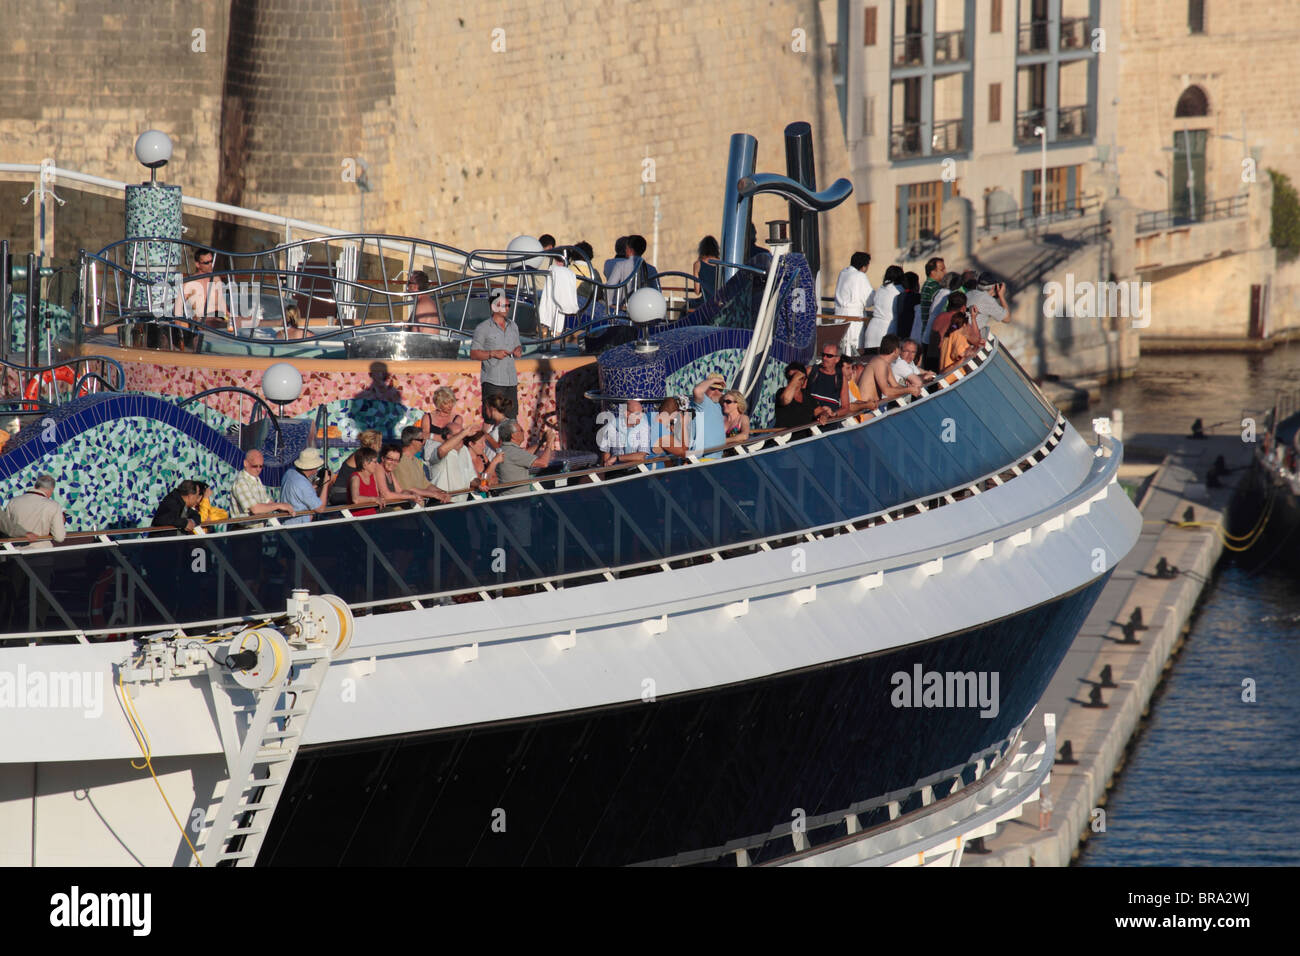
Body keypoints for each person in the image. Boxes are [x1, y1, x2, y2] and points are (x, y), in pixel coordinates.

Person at [470, 288, 523, 416]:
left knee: (511, 418)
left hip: (511, 381)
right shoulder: (483, 328)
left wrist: (518, 350)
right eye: (503, 305)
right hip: (493, 381)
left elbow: (518, 346)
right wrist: (492, 353)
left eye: (508, 305)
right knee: (491, 419)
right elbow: (473, 353)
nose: (507, 308)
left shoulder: (513, 326)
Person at [486, 419, 555, 494]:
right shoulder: (513, 452)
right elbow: (543, 463)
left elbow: (526, 454)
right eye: (521, 430)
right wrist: (549, 442)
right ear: (513, 435)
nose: (524, 432)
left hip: (510, 498)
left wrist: (542, 441)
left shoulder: (506, 449)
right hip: (517, 501)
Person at [230, 450, 295, 526]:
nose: (258, 469)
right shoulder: (241, 482)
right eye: (255, 466)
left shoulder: (255, 479)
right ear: (245, 463)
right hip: (245, 531)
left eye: (261, 466)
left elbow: (266, 501)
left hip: (258, 530)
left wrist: (284, 508)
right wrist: (279, 505)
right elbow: (255, 509)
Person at [424, 415, 482, 500]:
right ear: (449, 437)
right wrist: (464, 432)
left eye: (463, 433)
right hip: (442, 503)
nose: (463, 436)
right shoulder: (436, 447)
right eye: (460, 434)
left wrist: (479, 484)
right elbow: (441, 451)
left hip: (461, 504)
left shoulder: (464, 450)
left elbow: (472, 478)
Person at [394, 426, 453, 504]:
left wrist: (442, 493)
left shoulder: (417, 461)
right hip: (405, 510)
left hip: (419, 508)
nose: (424, 443)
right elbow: (408, 488)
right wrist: (435, 494)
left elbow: (426, 484)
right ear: (413, 442)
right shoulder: (399, 461)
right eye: (422, 440)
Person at [5, 475, 66, 547]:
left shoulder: (13, 502)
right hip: (41, 551)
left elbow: (6, 530)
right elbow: (59, 537)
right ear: (52, 489)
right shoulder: (54, 506)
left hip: (16, 551)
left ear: (35, 486)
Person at [861, 334, 923, 405]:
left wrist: (910, 388)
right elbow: (886, 391)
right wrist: (908, 390)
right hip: (866, 410)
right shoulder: (879, 363)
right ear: (896, 350)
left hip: (876, 407)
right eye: (900, 349)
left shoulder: (886, 364)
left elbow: (895, 385)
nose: (900, 352)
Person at [330, 429, 384, 506]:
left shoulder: (363, 455)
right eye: (380, 442)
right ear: (373, 444)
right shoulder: (362, 456)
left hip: (347, 492)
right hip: (341, 493)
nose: (381, 444)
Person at [174, 248, 227, 326]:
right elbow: (177, 309)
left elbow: (223, 305)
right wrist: (179, 329)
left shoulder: (216, 279)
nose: (210, 265)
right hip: (203, 320)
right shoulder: (189, 282)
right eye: (206, 263)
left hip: (221, 318)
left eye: (212, 261)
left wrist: (231, 317)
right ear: (197, 264)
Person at [833, 251, 873, 354]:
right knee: (853, 349)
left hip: (839, 316)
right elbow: (869, 300)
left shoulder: (843, 273)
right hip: (854, 318)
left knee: (841, 346)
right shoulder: (860, 276)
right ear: (864, 266)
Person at [281, 448, 333, 526]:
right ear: (314, 468)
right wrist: (326, 483)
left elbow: (300, 493)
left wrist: (315, 486)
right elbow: (320, 508)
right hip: (299, 527)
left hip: (287, 523)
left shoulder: (290, 472)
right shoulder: (302, 483)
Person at [538, 248, 580, 342]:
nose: (559, 264)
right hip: (569, 310)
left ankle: (554, 332)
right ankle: (556, 332)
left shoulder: (548, 267)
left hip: (554, 315)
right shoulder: (570, 273)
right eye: (558, 260)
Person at [805, 343, 851, 421]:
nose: (824, 358)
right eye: (823, 355)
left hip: (829, 426)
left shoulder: (841, 378)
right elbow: (799, 397)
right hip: (807, 423)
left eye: (829, 356)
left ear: (837, 359)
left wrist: (834, 414)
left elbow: (846, 408)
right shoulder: (811, 371)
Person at [864, 265, 904, 353]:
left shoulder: (881, 289)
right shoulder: (900, 291)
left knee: (869, 360)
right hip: (887, 330)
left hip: (872, 328)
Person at [925, 291, 967, 372]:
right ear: (963, 308)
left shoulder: (940, 317)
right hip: (943, 362)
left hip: (930, 359)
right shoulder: (958, 321)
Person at [963, 272, 1011, 343]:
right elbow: (1007, 319)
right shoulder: (987, 300)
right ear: (992, 287)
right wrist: (1001, 296)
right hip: (968, 339)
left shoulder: (970, 293)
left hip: (961, 333)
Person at [602, 400, 652, 466]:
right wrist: (608, 466)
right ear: (627, 414)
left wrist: (617, 458)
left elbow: (641, 456)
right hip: (615, 470)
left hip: (637, 469)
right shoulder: (612, 426)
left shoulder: (644, 427)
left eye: (642, 413)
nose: (641, 416)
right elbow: (606, 453)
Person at [690, 374, 728, 460]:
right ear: (706, 388)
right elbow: (697, 391)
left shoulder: (718, 405)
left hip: (716, 457)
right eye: (713, 388)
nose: (717, 392)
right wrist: (713, 380)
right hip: (704, 458)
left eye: (720, 390)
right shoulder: (703, 402)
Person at [774, 362, 818, 429]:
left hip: (804, 437)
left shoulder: (808, 396)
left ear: (803, 379)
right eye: (790, 377)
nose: (792, 380)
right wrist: (795, 378)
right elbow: (786, 400)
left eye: (796, 377)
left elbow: (820, 411)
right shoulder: (781, 392)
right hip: (785, 438)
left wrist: (824, 415)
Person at [650, 397, 689, 466]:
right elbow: (684, 453)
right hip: (651, 474)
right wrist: (683, 424)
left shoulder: (650, 417)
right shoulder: (661, 431)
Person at [347, 446, 383, 516]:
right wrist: (374, 499)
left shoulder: (373, 476)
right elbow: (355, 499)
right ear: (365, 464)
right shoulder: (355, 478)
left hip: (372, 518)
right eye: (375, 462)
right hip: (359, 520)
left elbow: (378, 496)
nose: (377, 464)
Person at [692, 236, 722, 302]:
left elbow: (697, 291)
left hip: (706, 303)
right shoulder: (723, 263)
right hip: (720, 303)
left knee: (685, 308)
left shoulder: (697, 264)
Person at [894, 271, 922, 340]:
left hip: (901, 332)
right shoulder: (917, 297)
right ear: (915, 284)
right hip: (911, 333)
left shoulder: (899, 296)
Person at [919, 257, 946, 326]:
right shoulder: (934, 286)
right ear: (933, 272)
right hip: (931, 329)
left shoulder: (927, 284)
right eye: (942, 270)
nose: (945, 272)